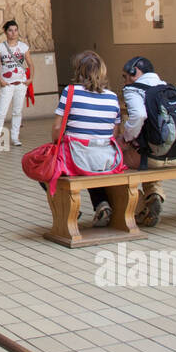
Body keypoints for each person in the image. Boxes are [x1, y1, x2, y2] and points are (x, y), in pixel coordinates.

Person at [52, 51, 122, 227]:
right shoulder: (112, 97)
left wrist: (57, 141)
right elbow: (115, 133)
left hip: (77, 158)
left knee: (45, 165)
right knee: (91, 163)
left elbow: (56, 129)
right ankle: (101, 204)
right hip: (106, 159)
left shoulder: (70, 92)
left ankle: (70, 209)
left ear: (79, 71)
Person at [119, 55, 176, 227]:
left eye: (126, 76)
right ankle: (154, 193)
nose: (125, 81)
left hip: (152, 157)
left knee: (116, 161)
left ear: (135, 72)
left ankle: (139, 206)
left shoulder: (133, 90)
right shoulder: (170, 88)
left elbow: (139, 116)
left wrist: (125, 138)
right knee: (149, 150)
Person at [0, 20, 32, 149]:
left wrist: (30, 79)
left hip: (21, 83)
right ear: (5, 32)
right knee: (1, 112)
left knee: (17, 111)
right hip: (7, 84)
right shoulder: (0, 47)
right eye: (10, 30)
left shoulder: (23, 47)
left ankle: (15, 137)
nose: (13, 33)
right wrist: (1, 80)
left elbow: (31, 64)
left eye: (15, 30)